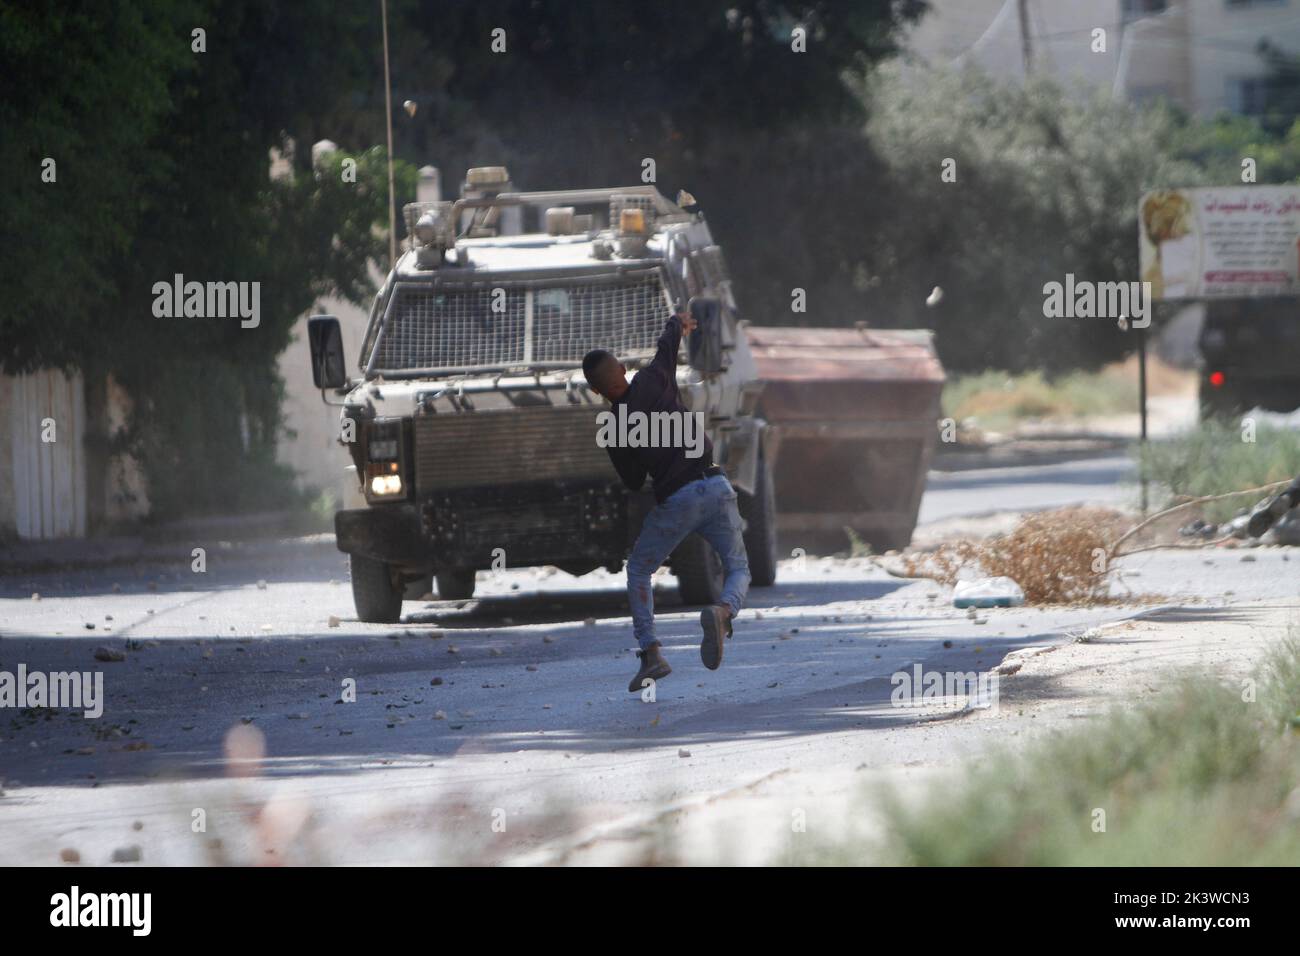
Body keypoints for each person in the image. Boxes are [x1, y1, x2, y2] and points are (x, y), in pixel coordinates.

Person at [582, 306, 750, 693]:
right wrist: (683, 323)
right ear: (622, 368)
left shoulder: (613, 428)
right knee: (738, 567)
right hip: (715, 485)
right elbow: (669, 339)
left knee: (640, 570)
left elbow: (633, 480)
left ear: (596, 391)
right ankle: (724, 612)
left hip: (677, 500)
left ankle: (652, 652)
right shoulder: (654, 378)